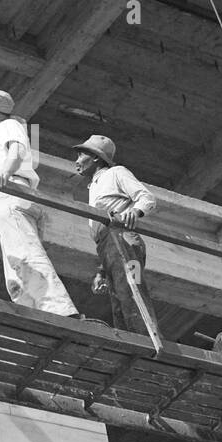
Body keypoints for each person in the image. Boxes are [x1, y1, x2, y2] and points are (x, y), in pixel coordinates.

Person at [0, 89, 81, 318]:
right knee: (17, 266)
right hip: (3, 198)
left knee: (27, 255)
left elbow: (17, 149)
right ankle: (34, 315)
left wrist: (4, 171)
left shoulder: (8, 126)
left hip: (9, 191)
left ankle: (59, 310)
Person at [72, 135, 158, 334]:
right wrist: (102, 271)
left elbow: (147, 198)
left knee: (133, 287)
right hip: (107, 245)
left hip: (125, 239)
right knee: (119, 299)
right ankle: (131, 342)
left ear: (95, 157)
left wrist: (134, 212)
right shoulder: (94, 186)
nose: (77, 161)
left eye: (81, 155)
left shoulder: (116, 173)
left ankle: (146, 339)